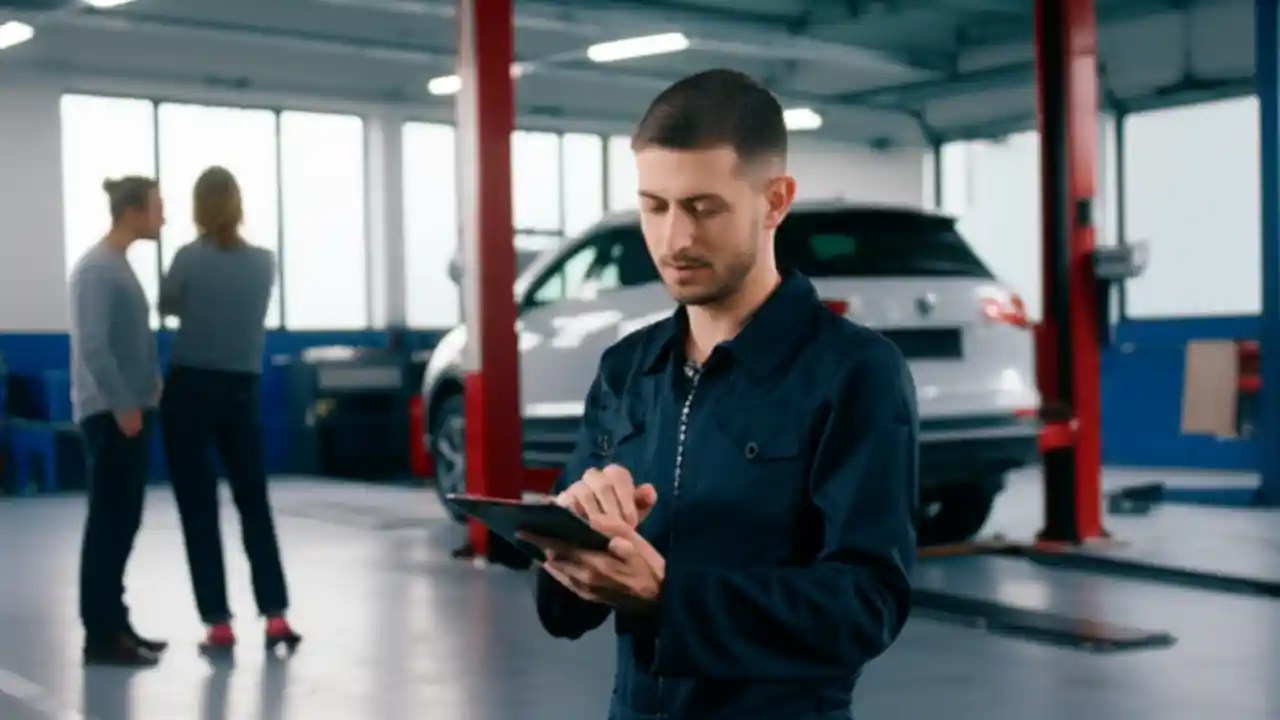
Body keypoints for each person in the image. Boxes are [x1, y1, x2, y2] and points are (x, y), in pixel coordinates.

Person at [523, 69, 919, 719]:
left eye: (703, 208)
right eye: (655, 207)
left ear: (775, 201)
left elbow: (865, 605)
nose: (674, 239)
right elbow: (562, 613)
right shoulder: (626, 368)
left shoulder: (853, 373)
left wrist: (668, 595)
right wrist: (573, 537)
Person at [158, 166, 301, 654]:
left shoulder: (187, 258)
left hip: (189, 390)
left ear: (198, 208)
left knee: (198, 508)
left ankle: (218, 623)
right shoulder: (264, 263)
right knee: (254, 504)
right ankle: (276, 615)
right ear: (239, 206)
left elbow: (167, 305)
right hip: (242, 390)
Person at [71, 176, 168, 666]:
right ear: (133, 211)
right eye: (157, 207)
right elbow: (93, 344)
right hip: (112, 415)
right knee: (109, 524)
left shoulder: (117, 265)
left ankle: (117, 623)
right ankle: (101, 636)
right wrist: (123, 404)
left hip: (128, 410)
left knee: (123, 522)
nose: (163, 217)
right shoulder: (97, 269)